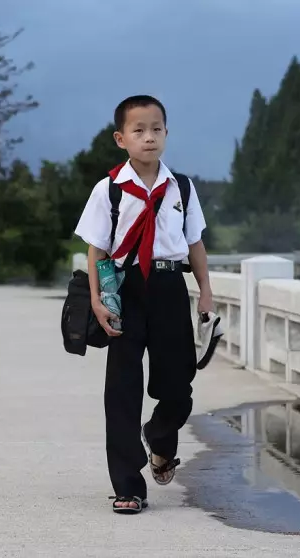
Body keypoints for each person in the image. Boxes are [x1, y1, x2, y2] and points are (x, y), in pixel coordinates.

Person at [73, 94, 213, 514]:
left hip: (170, 287)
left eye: (156, 129)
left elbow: (195, 243)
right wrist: (98, 301)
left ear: (166, 133)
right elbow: (96, 252)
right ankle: (128, 486)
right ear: (121, 138)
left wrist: (205, 289)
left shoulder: (182, 188)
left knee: (178, 385)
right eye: (138, 130)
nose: (148, 137)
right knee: (122, 390)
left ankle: (159, 436)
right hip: (125, 292)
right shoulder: (109, 190)